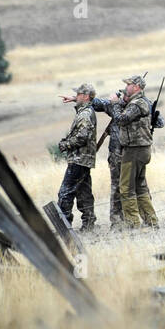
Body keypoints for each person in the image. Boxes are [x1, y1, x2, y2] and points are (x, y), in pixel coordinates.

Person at [112, 75, 159, 229]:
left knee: (125, 188)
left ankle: (133, 223)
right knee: (140, 187)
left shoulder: (137, 103)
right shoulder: (142, 102)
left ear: (137, 87)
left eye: (129, 84)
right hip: (141, 149)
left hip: (134, 150)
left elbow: (121, 119)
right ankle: (151, 221)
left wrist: (116, 104)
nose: (126, 87)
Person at [56, 82, 97, 231]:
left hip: (79, 159)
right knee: (83, 192)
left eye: (78, 94)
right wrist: (74, 99)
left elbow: (82, 137)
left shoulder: (85, 114)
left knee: (65, 193)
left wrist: (65, 145)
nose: (76, 96)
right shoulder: (86, 110)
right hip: (84, 159)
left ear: (85, 96)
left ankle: (63, 227)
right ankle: (89, 224)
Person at [89, 88, 126, 226]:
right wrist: (77, 98)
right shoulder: (116, 106)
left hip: (132, 153)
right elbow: (98, 104)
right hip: (116, 153)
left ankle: (143, 219)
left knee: (137, 185)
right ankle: (117, 222)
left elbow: (160, 122)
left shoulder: (138, 106)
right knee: (116, 187)